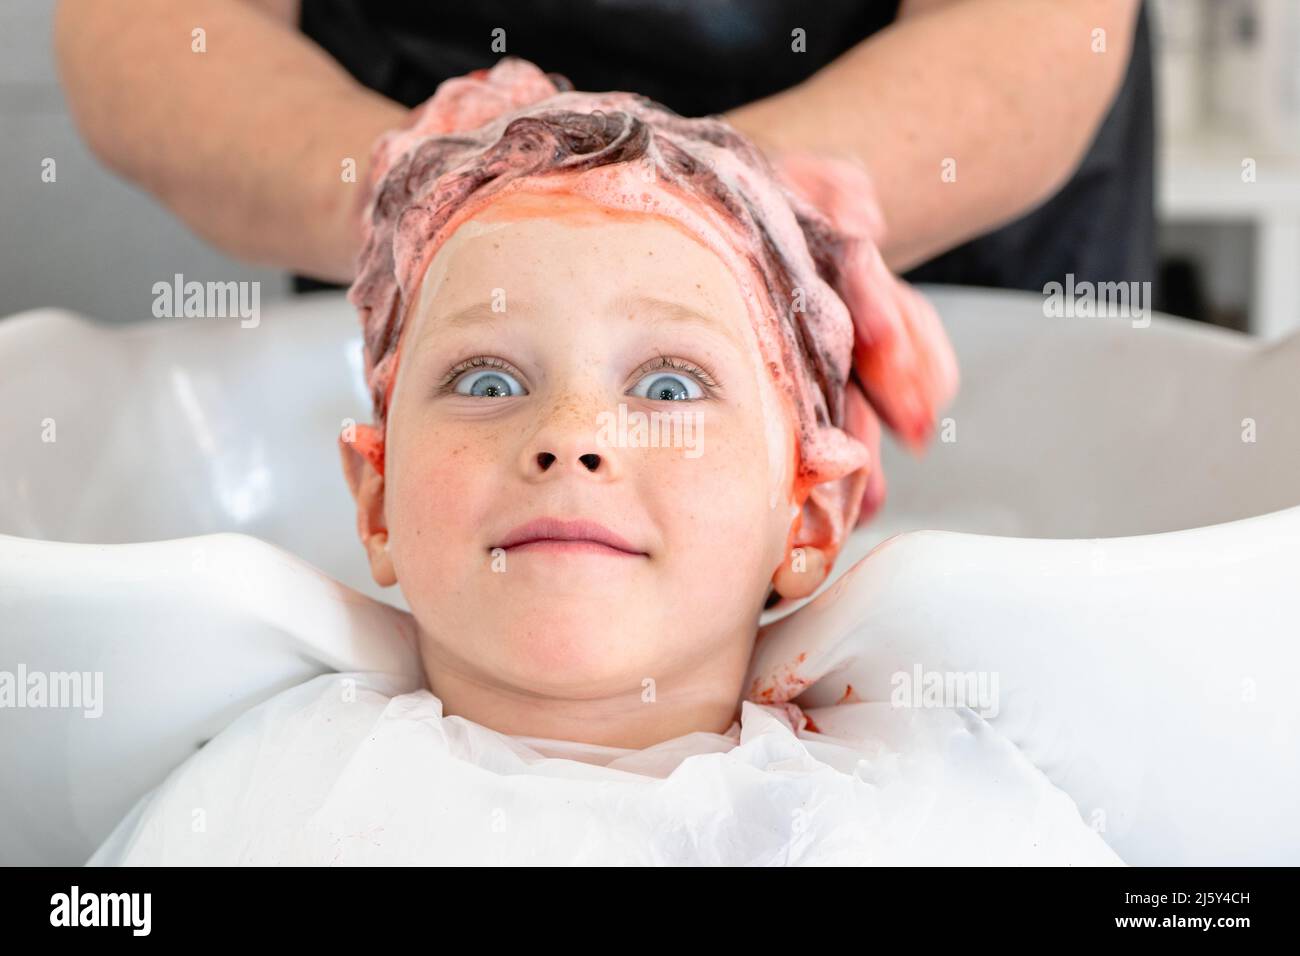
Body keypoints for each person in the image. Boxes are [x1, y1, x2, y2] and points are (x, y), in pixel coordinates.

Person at [53, 0, 1153, 298]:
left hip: (927, 258)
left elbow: (1032, 20)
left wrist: (735, 214)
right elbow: (144, 24)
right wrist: (416, 190)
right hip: (412, 227)